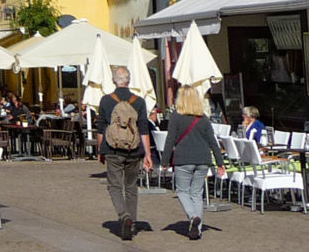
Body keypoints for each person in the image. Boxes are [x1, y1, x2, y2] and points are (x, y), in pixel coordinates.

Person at [95, 65, 155, 241]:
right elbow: (144, 129)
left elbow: (101, 128)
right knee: (131, 187)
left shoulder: (106, 101)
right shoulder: (139, 101)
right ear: (128, 81)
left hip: (113, 149)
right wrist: (148, 155)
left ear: (114, 80)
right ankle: (133, 222)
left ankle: (124, 216)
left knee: (114, 186)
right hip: (134, 149)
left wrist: (101, 150)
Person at [161, 84, 226, 240]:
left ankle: (192, 217)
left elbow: (170, 140)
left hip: (183, 159)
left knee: (182, 191)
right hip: (203, 159)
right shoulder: (203, 118)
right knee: (197, 193)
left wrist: (164, 161)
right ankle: (197, 227)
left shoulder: (176, 116)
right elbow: (213, 141)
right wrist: (220, 163)